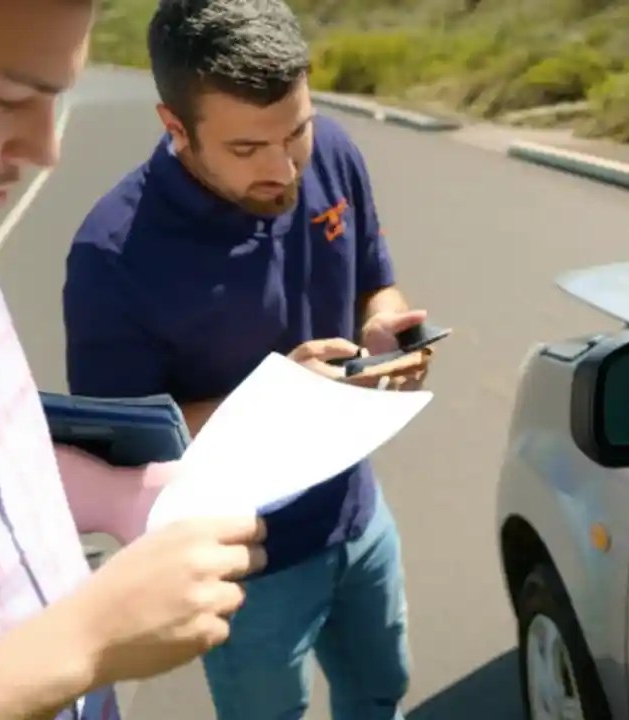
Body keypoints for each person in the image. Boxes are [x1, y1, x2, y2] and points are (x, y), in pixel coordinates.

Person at [0, 1, 278, 719]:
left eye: (57, 98)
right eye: (4, 99)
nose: (44, 150)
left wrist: (110, 494)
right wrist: (84, 643)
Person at [60, 1, 431, 718]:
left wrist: (387, 329)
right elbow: (117, 456)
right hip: (245, 562)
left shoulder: (335, 154)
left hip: (360, 514)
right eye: (246, 149)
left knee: (382, 688)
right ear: (176, 128)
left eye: (297, 131)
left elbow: (375, 284)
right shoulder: (111, 257)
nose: (285, 165)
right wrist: (274, 398)